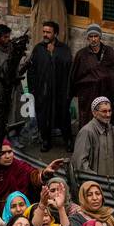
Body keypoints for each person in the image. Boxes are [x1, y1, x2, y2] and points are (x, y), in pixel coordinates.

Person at [28, 21, 74, 151]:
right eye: (44, 32)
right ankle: (46, 141)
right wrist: (33, 89)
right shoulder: (38, 48)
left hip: (59, 92)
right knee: (43, 117)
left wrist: (53, 54)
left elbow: (67, 66)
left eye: (48, 32)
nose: (45, 35)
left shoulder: (63, 49)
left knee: (63, 117)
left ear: (55, 33)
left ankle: (68, 141)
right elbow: (31, 70)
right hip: (43, 91)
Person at [71, 24, 114, 129]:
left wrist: (105, 79)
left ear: (100, 37)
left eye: (96, 36)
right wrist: (74, 92)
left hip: (107, 94)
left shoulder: (110, 52)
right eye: (91, 36)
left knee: (105, 120)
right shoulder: (82, 55)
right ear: (87, 38)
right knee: (88, 122)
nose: (93, 39)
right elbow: (74, 75)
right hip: (88, 96)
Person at [71, 96, 114, 177]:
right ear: (94, 113)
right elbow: (80, 163)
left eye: (110, 111)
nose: (108, 114)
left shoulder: (111, 130)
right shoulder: (87, 131)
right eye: (104, 111)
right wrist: (95, 179)